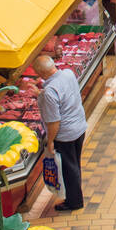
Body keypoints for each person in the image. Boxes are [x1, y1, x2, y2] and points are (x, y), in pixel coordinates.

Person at [34, 55, 88, 212]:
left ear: (41, 73)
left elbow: (54, 122)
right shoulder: (68, 74)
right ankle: (75, 195)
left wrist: (50, 141)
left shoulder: (49, 92)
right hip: (79, 126)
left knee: (69, 169)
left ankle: (74, 201)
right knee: (74, 164)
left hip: (65, 135)